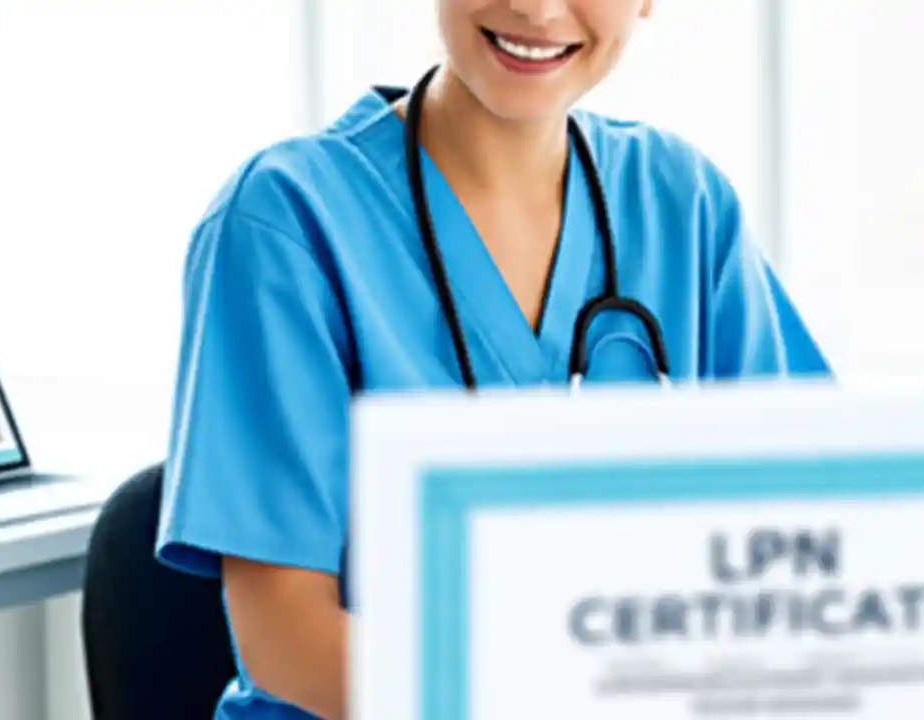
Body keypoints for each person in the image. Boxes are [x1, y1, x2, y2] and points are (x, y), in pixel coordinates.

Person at [156, 1, 831, 718]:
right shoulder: (287, 219)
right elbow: (287, 641)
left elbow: (812, 543)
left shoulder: (683, 205)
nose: (536, 9)